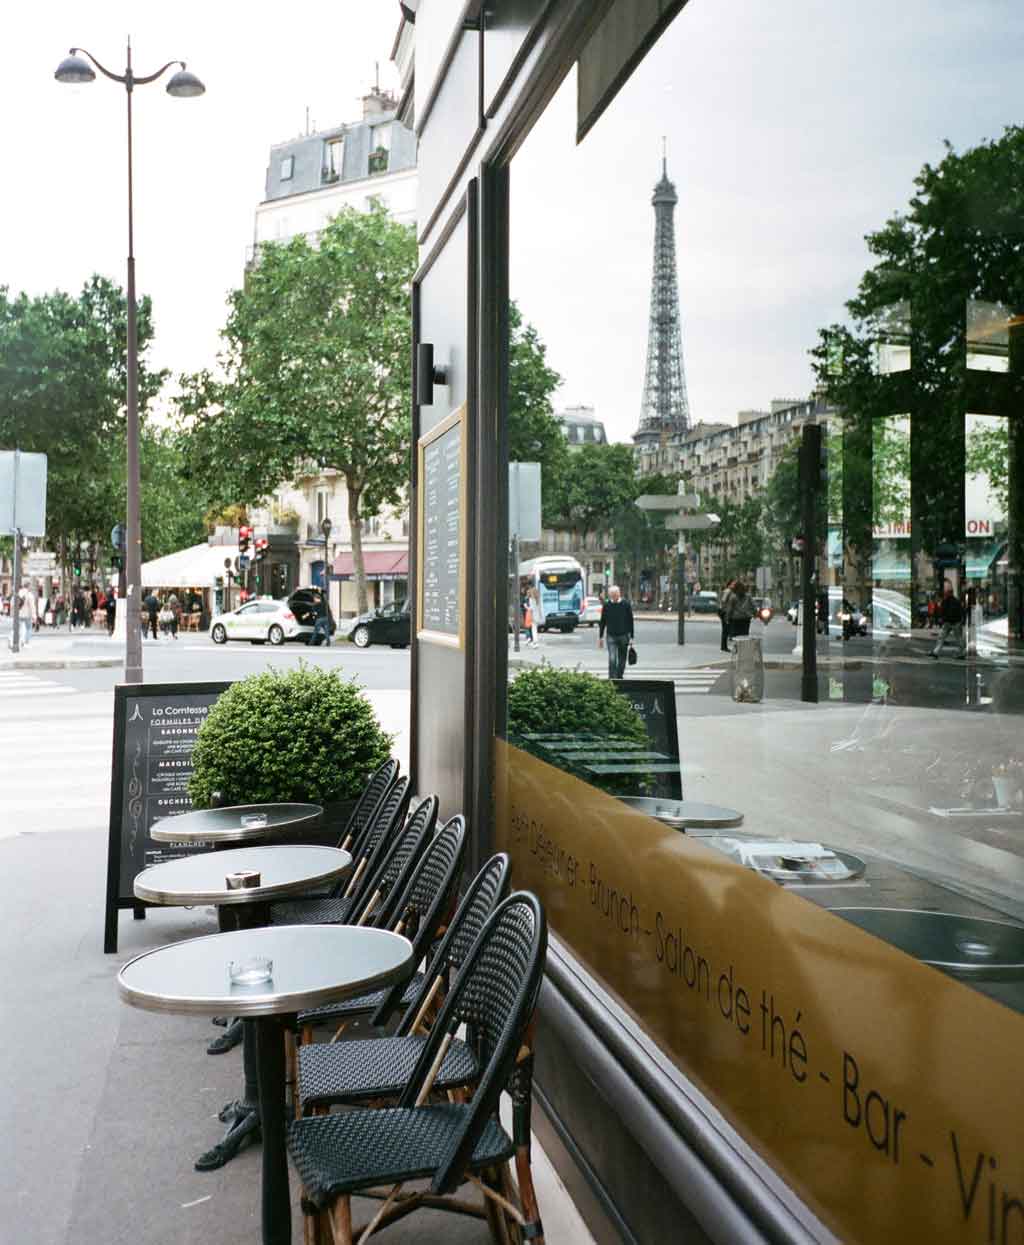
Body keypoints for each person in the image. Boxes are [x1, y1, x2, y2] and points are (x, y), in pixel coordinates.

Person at [598, 584, 634, 679]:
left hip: (624, 636)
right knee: (612, 659)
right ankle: (612, 679)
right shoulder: (607, 605)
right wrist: (600, 637)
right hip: (611, 636)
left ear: (619, 594)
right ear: (609, 595)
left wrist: (631, 637)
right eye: (611, 595)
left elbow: (630, 621)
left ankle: (619, 676)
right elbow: (602, 622)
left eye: (615, 595)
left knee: (622, 659)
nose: (613, 597)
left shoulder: (626, 604)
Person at [931, 579, 966, 659]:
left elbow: (943, 612)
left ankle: (936, 652)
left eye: (946, 592)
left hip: (950, 622)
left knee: (943, 637)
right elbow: (961, 611)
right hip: (953, 622)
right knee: (954, 638)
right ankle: (936, 652)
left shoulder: (947, 601)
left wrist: (943, 619)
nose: (945, 593)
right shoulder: (955, 601)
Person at [718, 579, 736, 652]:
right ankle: (724, 647)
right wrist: (724, 610)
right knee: (726, 629)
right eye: (733, 584)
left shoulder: (730, 591)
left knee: (726, 629)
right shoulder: (728, 591)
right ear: (729, 584)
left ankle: (724, 646)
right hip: (725, 612)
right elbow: (723, 601)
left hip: (725, 611)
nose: (734, 585)